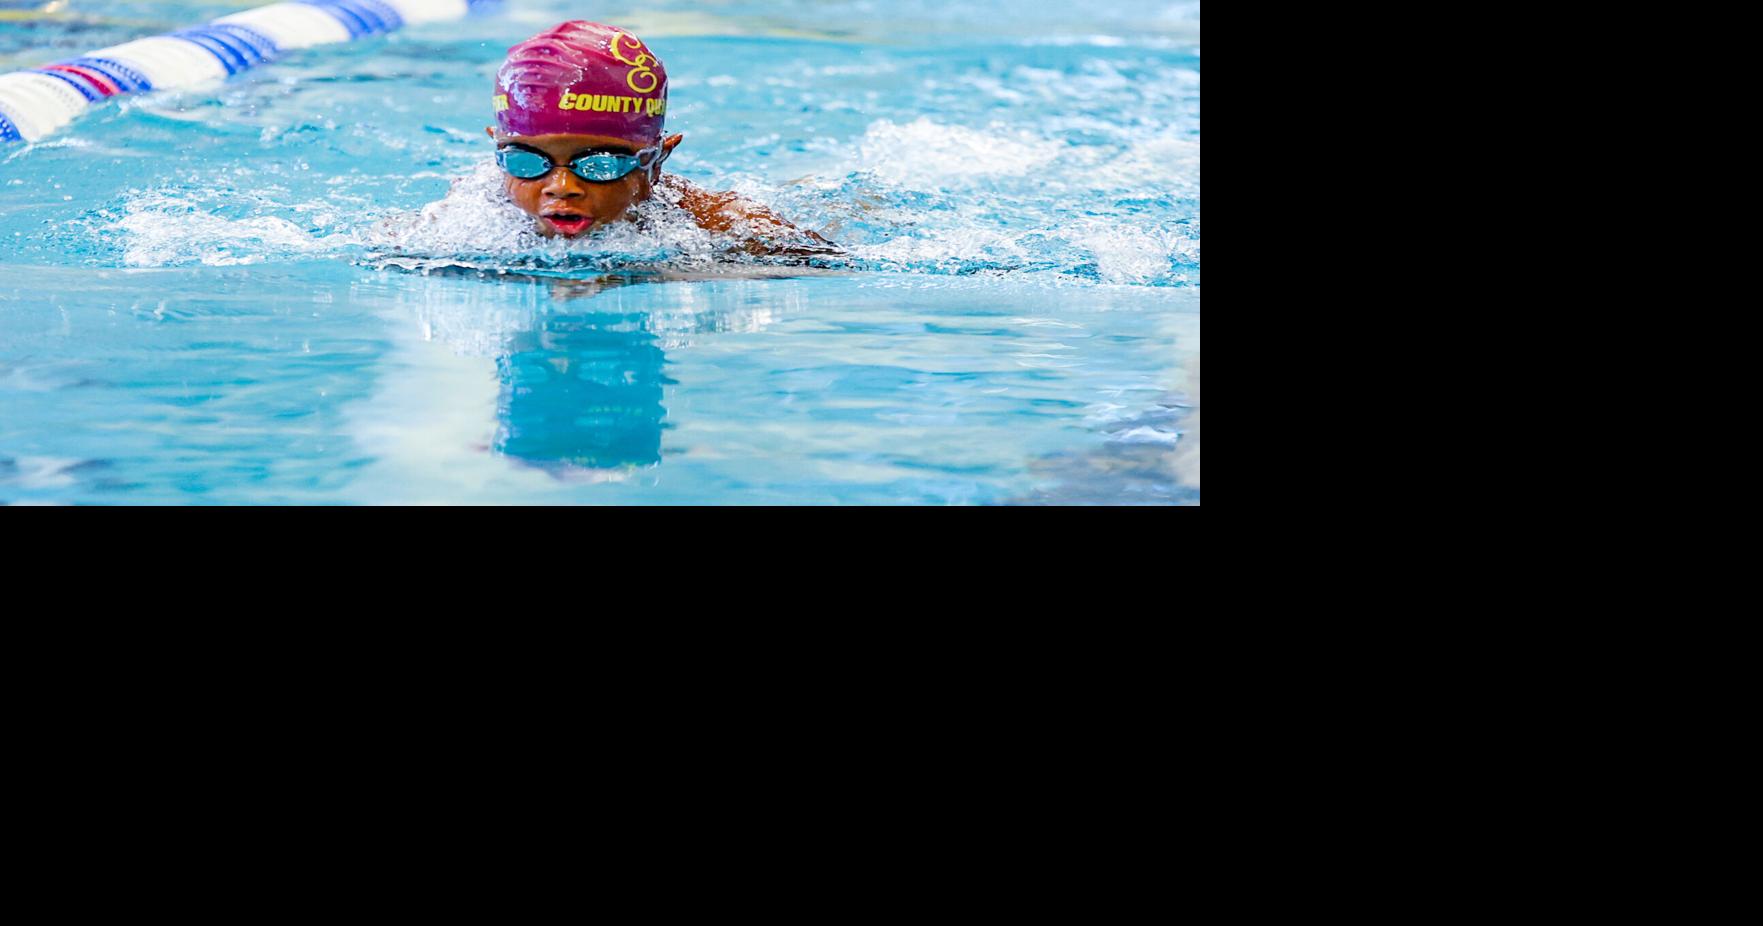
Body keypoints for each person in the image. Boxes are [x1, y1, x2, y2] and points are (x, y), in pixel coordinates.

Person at [488, 20, 830, 256]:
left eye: (600, 164)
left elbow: (835, 267)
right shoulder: (475, 214)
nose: (561, 186)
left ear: (656, 162)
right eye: (525, 160)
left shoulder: (726, 227)